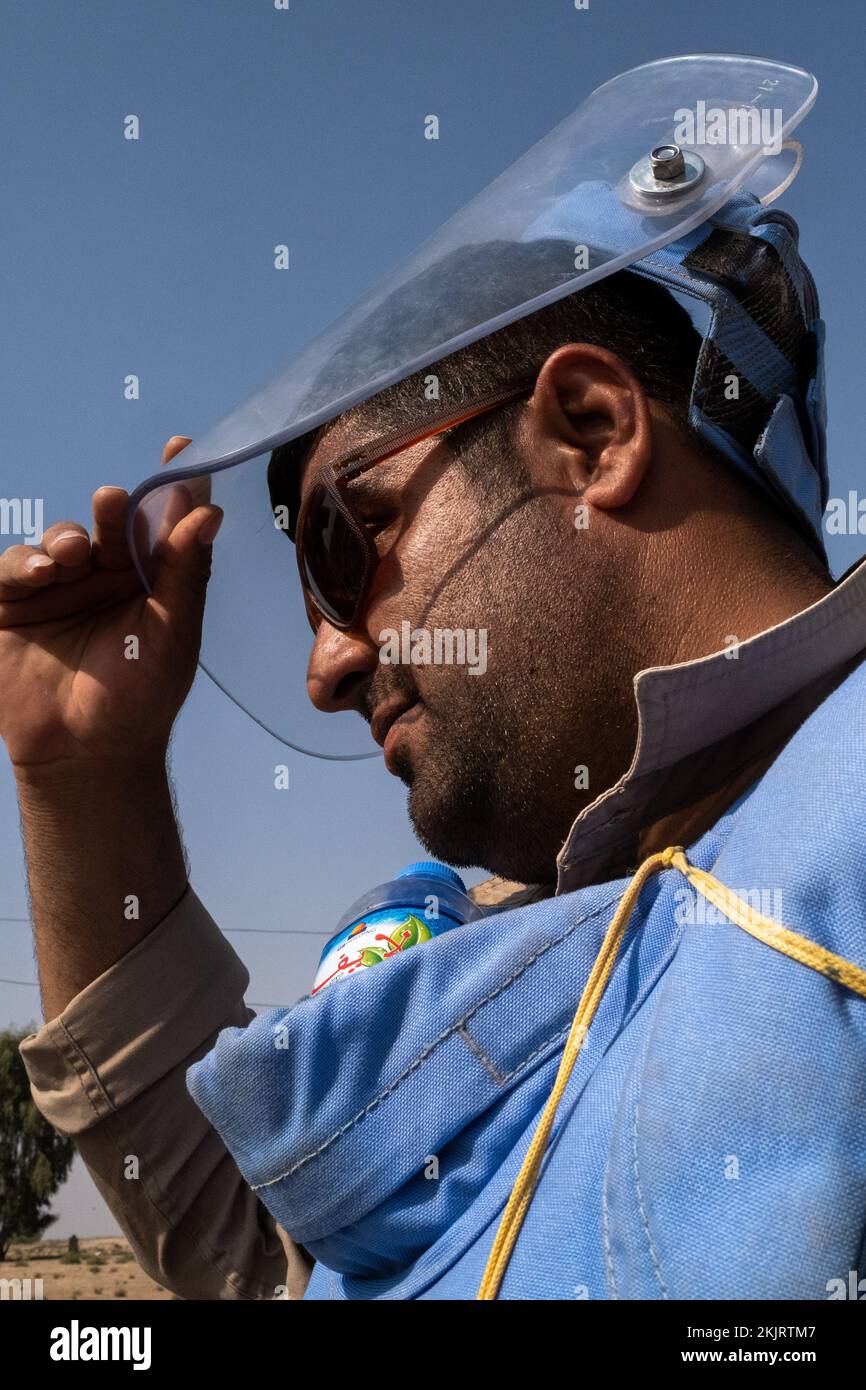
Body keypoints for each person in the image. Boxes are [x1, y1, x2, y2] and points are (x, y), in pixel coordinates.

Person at [6, 58, 866, 1299]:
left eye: (345, 545)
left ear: (587, 433)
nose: (326, 666)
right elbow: (270, 1265)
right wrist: (83, 778)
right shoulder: (514, 937)